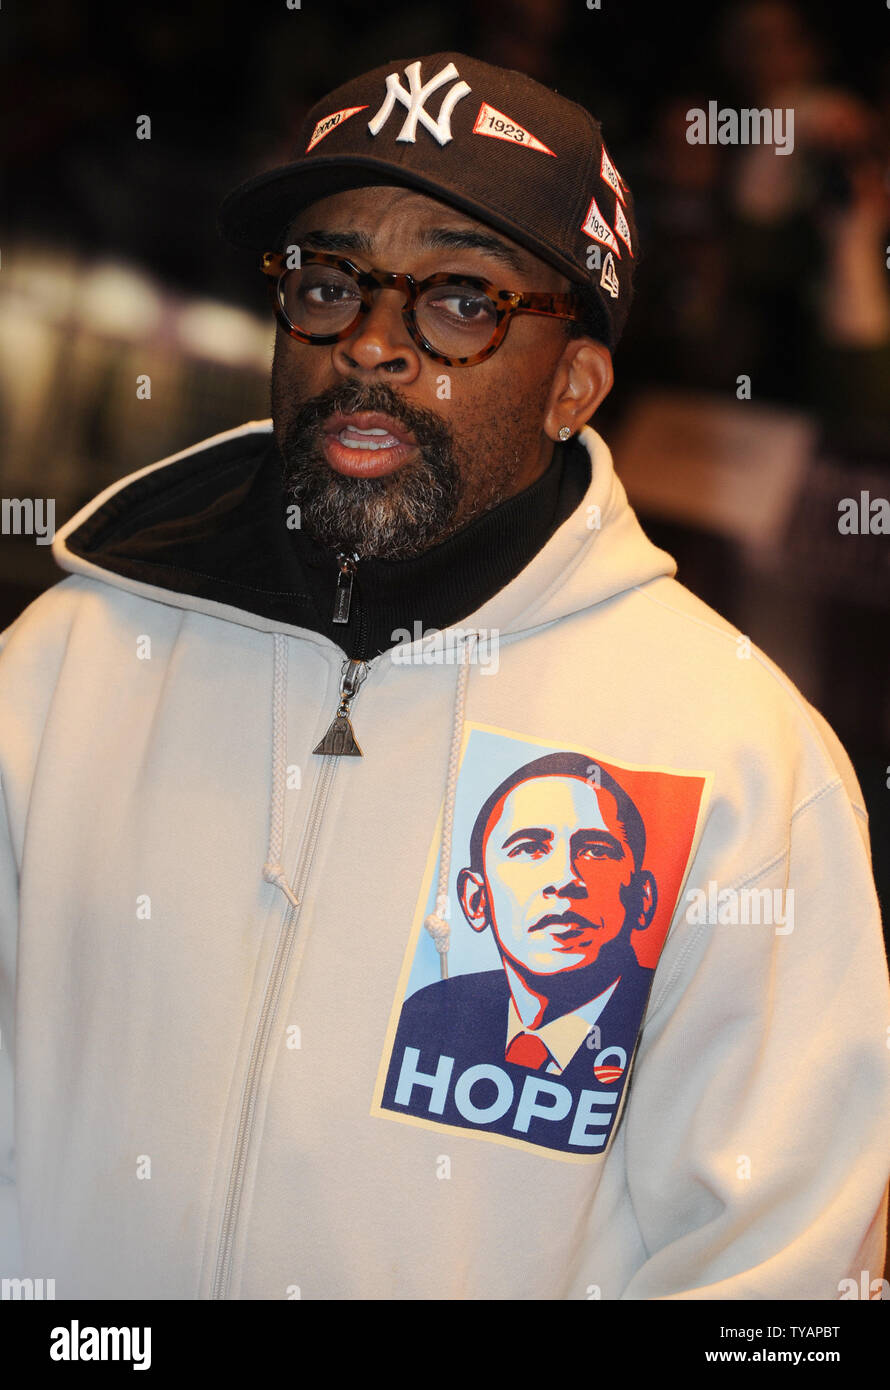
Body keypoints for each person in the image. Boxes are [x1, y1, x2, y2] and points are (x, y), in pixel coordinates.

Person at [0, 52, 887, 1302]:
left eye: (460, 299)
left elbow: (778, 1277)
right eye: (327, 280)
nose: (369, 344)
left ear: (573, 383)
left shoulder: (733, 755)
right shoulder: (65, 672)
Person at [380, 753, 659, 1157]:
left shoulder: (665, 1027)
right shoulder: (424, 1016)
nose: (565, 878)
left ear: (644, 897)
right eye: (529, 848)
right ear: (476, 900)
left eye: (596, 851)